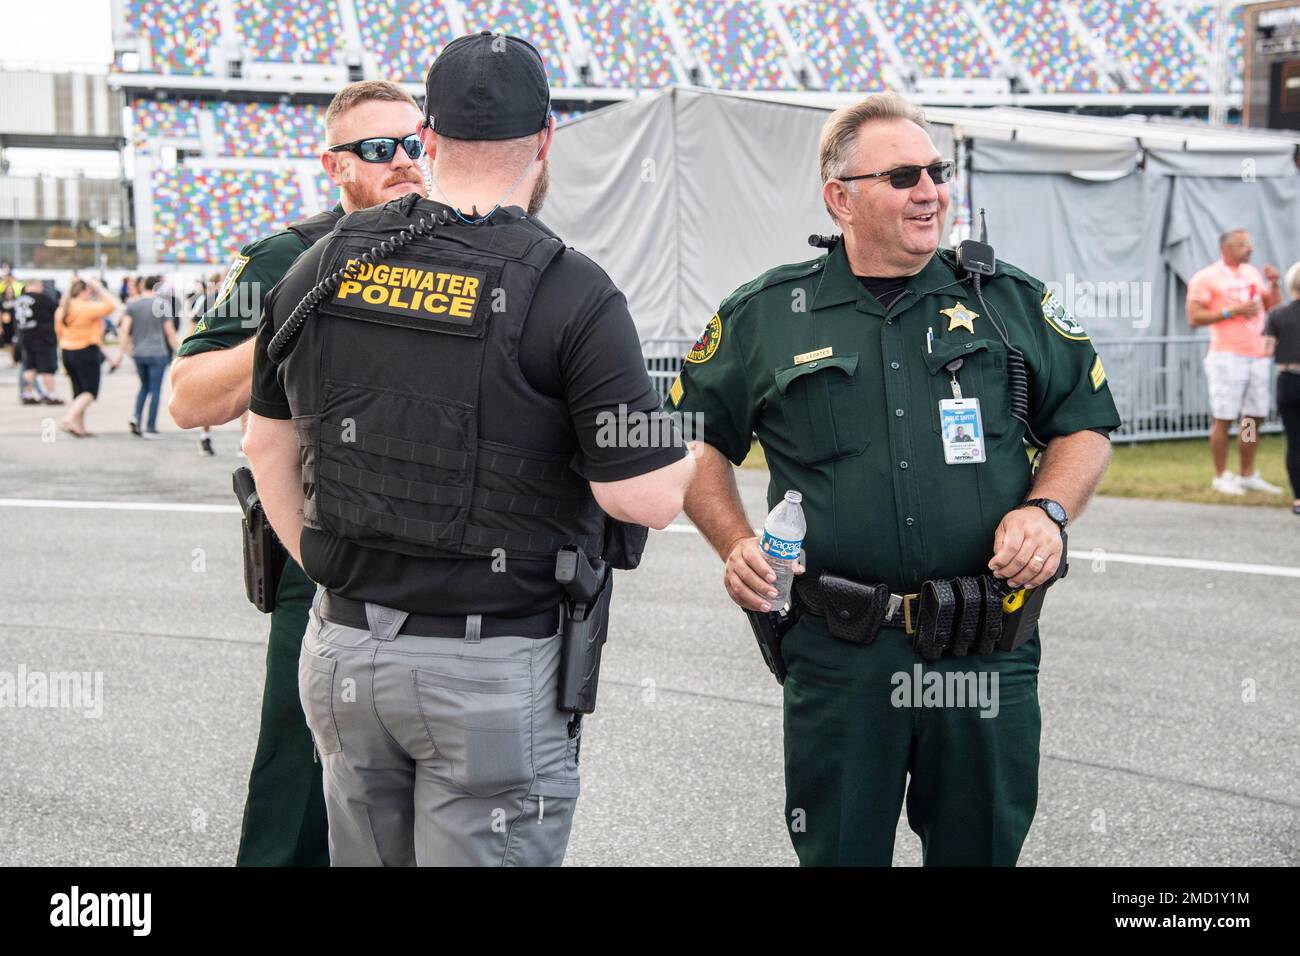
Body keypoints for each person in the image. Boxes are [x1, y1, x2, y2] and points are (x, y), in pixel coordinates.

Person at [245, 32, 695, 867]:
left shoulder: (323, 261)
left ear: (429, 136)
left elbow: (262, 441)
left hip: (344, 652)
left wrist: (317, 559)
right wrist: (682, 445)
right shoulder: (571, 288)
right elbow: (648, 500)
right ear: (547, 137)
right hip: (488, 671)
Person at [667, 92, 1120, 866]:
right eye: (904, 175)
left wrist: (1047, 510)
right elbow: (695, 443)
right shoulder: (769, 314)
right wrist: (736, 542)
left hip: (982, 641)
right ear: (840, 198)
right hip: (844, 654)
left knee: (979, 850)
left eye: (937, 172)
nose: (931, 191)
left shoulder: (1006, 302)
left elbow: (1084, 422)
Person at [168, 79, 428, 867]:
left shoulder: (463, 245)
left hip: (446, 560)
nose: (405, 162)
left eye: (416, 143)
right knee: (302, 777)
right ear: (336, 165)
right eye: (379, 149)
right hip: (318, 554)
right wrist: (302, 312)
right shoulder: (291, 254)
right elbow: (186, 397)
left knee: (434, 795)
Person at [1186, 229, 1283, 495]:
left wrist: (1274, 284)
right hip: (1227, 355)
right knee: (1224, 416)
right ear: (1226, 248)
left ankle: (1246, 473)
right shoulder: (1207, 277)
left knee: (1253, 416)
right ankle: (1221, 475)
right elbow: (1194, 317)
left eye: (1250, 244)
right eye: (1243, 245)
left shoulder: (1251, 273)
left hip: (1256, 355)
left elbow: (1272, 307)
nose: (1249, 249)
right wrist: (1232, 311)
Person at [55, 277, 123, 437]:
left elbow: (58, 333)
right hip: (85, 351)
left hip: (67, 351)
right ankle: (68, 419)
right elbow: (113, 306)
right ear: (84, 291)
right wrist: (99, 288)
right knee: (90, 392)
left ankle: (79, 427)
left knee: (78, 392)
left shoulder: (61, 309)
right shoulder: (87, 308)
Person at [120, 276, 178, 438]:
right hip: (157, 352)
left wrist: (127, 349)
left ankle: (136, 417)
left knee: (144, 387)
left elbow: (124, 330)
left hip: (139, 352)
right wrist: (179, 352)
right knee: (155, 390)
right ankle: (150, 427)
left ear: (142, 286)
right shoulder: (162, 304)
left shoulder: (132, 304)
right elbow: (170, 332)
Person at [1263, 261, 1300, 514]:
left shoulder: (1276, 315)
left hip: (1288, 380)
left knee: (1294, 442)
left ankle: (1299, 498)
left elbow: (1267, 349)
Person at [5, 278, 63, 405]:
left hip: (24, 337)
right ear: (36, 285)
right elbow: (58, 310)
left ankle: (27, 393)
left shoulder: (18, 300)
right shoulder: (41, 298)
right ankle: (51, 394)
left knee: (29, 367)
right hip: (43, 337)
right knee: (47, 367)